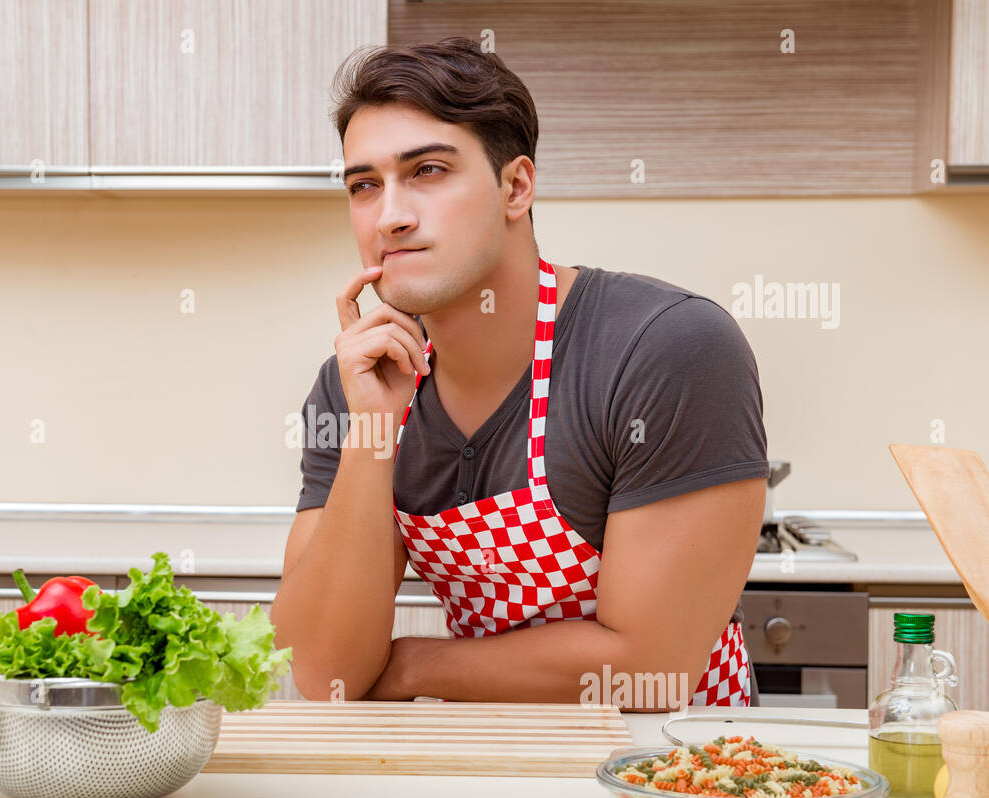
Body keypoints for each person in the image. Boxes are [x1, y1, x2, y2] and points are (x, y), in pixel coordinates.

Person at [271, 37, 768, 710]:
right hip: (494, 770)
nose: (390, 215)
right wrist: (373, 435)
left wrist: (412, 665)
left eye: (428, 171)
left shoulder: (669, 348)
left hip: (671, 783)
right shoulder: (359, 382)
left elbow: (652, 667)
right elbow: (326, 671)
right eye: (365, 185)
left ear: (516, 186)